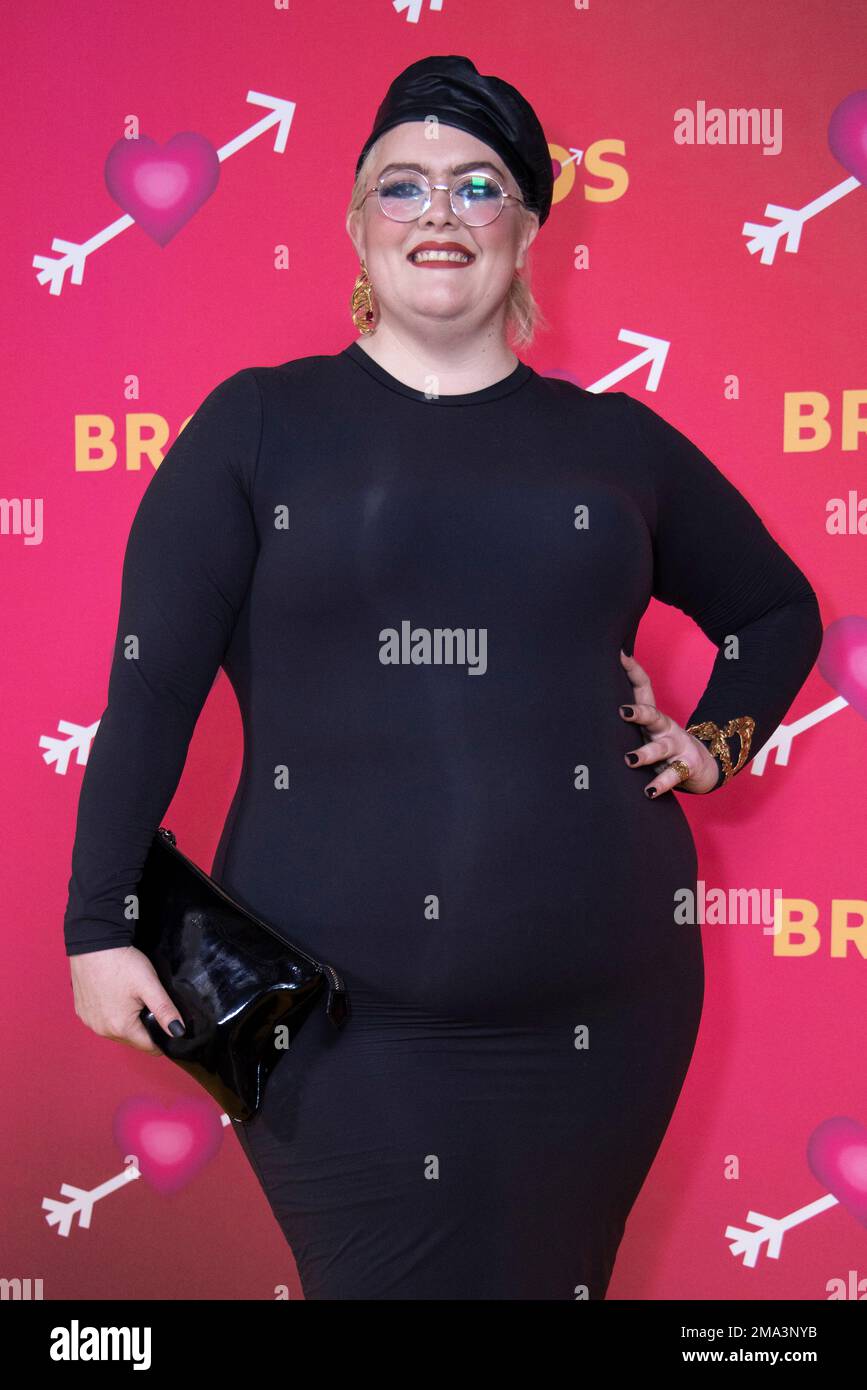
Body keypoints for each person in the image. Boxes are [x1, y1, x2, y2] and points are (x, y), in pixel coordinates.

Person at [64, 55, 823, 1300]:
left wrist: (716, 743)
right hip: (333, 1021)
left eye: (478, 188)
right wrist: (97, 924)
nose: (437, 213)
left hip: (604, 1008)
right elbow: (150, 688)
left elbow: (777, 609)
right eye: (400, 185)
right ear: (355, 226)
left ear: (527, 230)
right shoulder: (256, 427)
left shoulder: (615, 442)